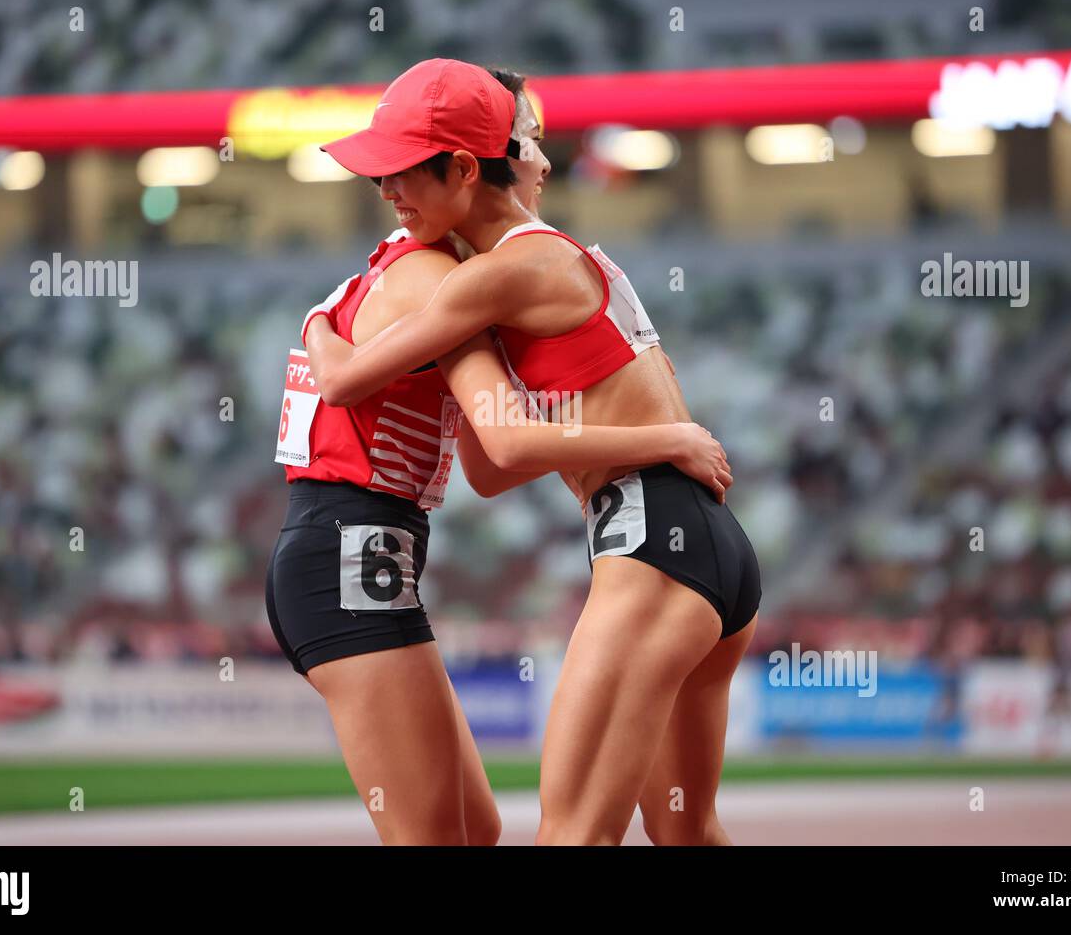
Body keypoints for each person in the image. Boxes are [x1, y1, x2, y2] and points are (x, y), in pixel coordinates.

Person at [268, 60, 732, 845]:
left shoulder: (457, 275)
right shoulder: (477, 270)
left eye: (398, 172)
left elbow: (487, 448)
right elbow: (494, 456)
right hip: (699, 543)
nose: (386, 192)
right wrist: (668, 434)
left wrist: (315, 317)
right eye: (533, 142)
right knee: (675, 831)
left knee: (511, 835)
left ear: (467, 166)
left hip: (632, 544)